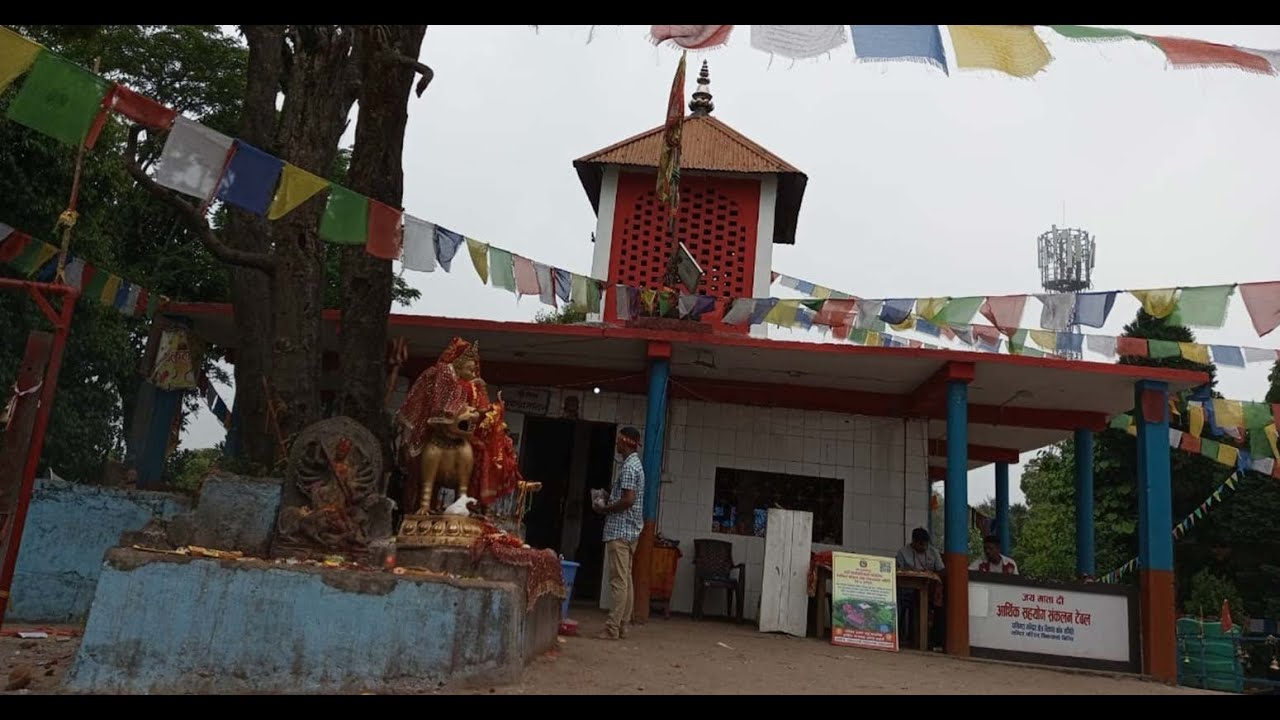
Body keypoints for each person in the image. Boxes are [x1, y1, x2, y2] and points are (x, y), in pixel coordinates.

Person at [593, 426, 645, 640]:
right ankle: (622, 626)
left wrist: (605, 508)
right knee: (627, 580)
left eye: (618, 441)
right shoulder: (635, 466)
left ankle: (612, 628)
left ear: (625, 441)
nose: (616, 444)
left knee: (619, 582)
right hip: (631, 531)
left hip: (620, 531)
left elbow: (628, 499)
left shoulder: (629, 468)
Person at [895, 527, 946, 651]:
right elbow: (897, 570)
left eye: (925, 544)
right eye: (920, 544)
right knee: (900, 604)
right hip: (906, 590)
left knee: (938, 607)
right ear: (913, 542)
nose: (923, 547)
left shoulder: (933, 553)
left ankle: (927, 641)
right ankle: (900, 637)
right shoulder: (903, 552)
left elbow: (941, 570)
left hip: (928, 591)